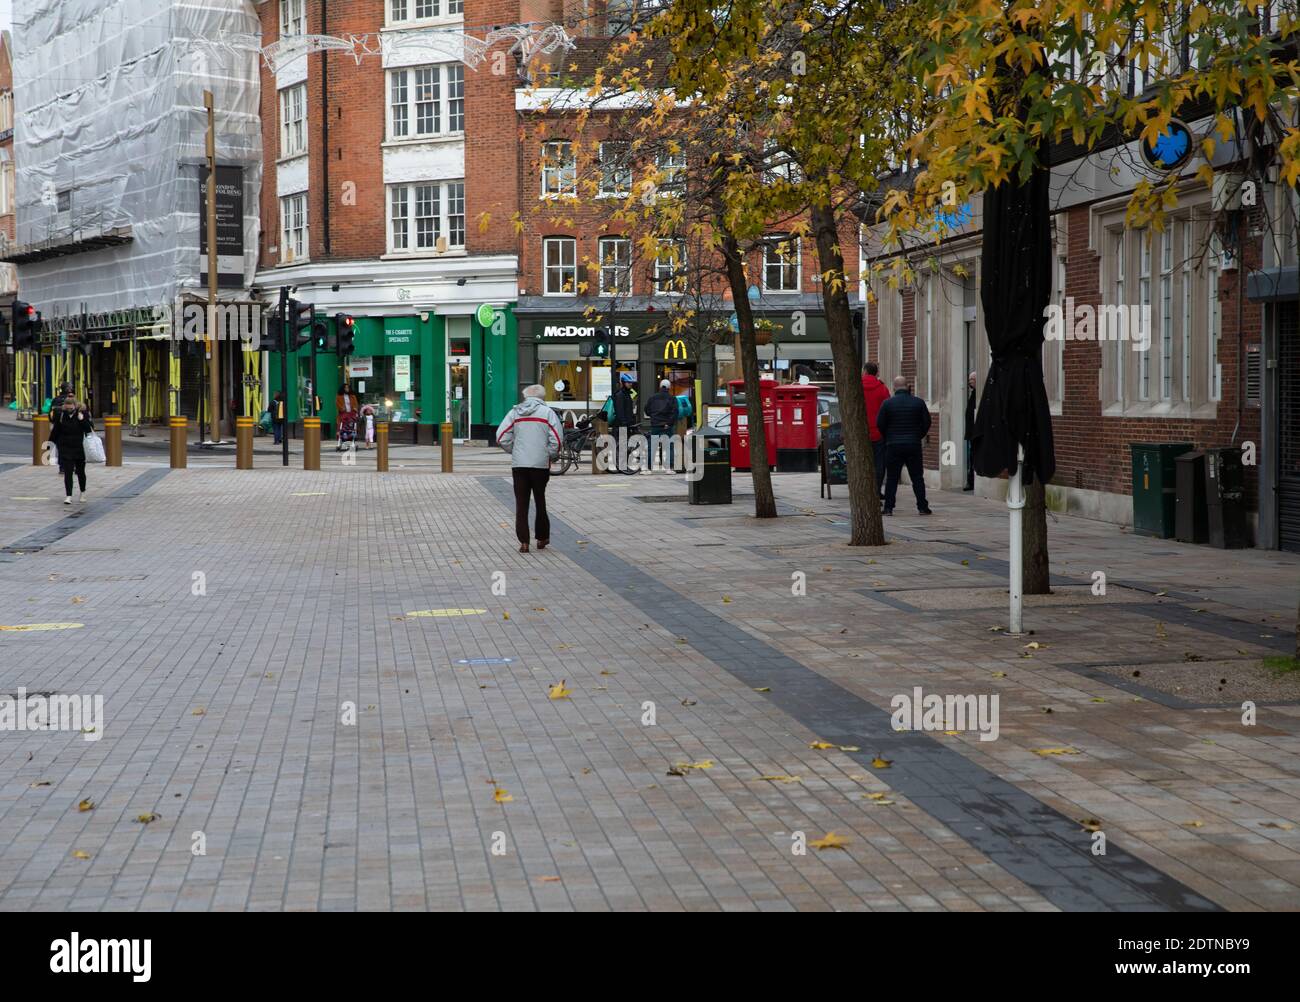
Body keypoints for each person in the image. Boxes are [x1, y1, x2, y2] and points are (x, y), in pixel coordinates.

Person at [497, 384, 564, 553]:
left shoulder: (515, 412)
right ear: (542, 397)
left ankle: (524, 542)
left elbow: (501, 436)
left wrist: (515, 450)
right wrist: (547, 453)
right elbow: (557, 439)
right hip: (540, 465)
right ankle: (542, 538)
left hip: (519, 465)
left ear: (525, 396)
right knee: (540, 501)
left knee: (521, 504)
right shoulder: (547, 413)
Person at [876, 375, 932, 516]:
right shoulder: (918, 403)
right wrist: (918, 435)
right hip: (913, 444)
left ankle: (888, 508)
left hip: (893, 444)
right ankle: (922, 507)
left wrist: (888, 436)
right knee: (917, 477)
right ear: (908, 387)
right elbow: (927, 422)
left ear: (894, 388)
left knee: (892, 478)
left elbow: (880, 424)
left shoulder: (887, 404)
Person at [48, 396, 93, 505]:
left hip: (79, 448)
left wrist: (82, 420)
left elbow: (88, 430)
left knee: (80, 472)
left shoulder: (82, 414)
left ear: (75, 406)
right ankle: (69, 495)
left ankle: (82, 492)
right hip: (66, 448)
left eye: (71, 408)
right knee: (68, 473)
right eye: (67, 408)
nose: (69, 410)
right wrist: (50, 444)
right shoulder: (61, 415)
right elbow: (56, 431)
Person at [861, 362, 890, 496]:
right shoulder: (882, 388)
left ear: (865, 371)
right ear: (876, 372)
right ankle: (877, 490)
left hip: (861, 432)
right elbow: (888, 410)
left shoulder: (857, 386)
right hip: (879, 432)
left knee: (863, 462)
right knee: (879, 463)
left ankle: (864, 490)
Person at [644, 378, 677, 472]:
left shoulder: (652, 398)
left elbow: (647, 410)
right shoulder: (672, 398)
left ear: (660, 387)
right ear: (669, 388)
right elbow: (675, 413)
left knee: (652, 447)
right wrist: (669, 423)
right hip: (667, 426)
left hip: (655, 425)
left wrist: (654, 417)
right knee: (669, 447)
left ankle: (649, 468)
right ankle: (669, 468)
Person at [609, 371, 639, 474]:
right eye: (628, 382)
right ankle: (622, 467)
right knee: (622, 447)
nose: (630, 384)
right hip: (621, 425)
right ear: (623, 382)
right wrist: (624, 423)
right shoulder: (620, 395)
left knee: (624, 446)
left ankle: (621, 466)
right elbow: (620, 411)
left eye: (631, 382)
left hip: (626, 424)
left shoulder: (626, 394)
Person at [336, 384, 359, 451]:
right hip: (343, 414)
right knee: (341, 427)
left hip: (351, 414)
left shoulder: (353, 396)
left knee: (352, 427)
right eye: (345, 388)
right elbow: (337, 404)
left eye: (348, 388)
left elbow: (356, 404)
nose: (347, 389)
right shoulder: (339, 397)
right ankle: (341, 441)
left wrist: (355, 409)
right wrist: (342, 408)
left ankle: (351, 441)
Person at [964, 371, 977, 492]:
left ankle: (971, 480)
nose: (969, 382)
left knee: (973, 456)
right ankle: (970, 480)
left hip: (974, 432)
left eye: (972, 379)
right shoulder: (973, 394)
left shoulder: (978, 394)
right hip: (970, 432)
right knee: (971, 456)